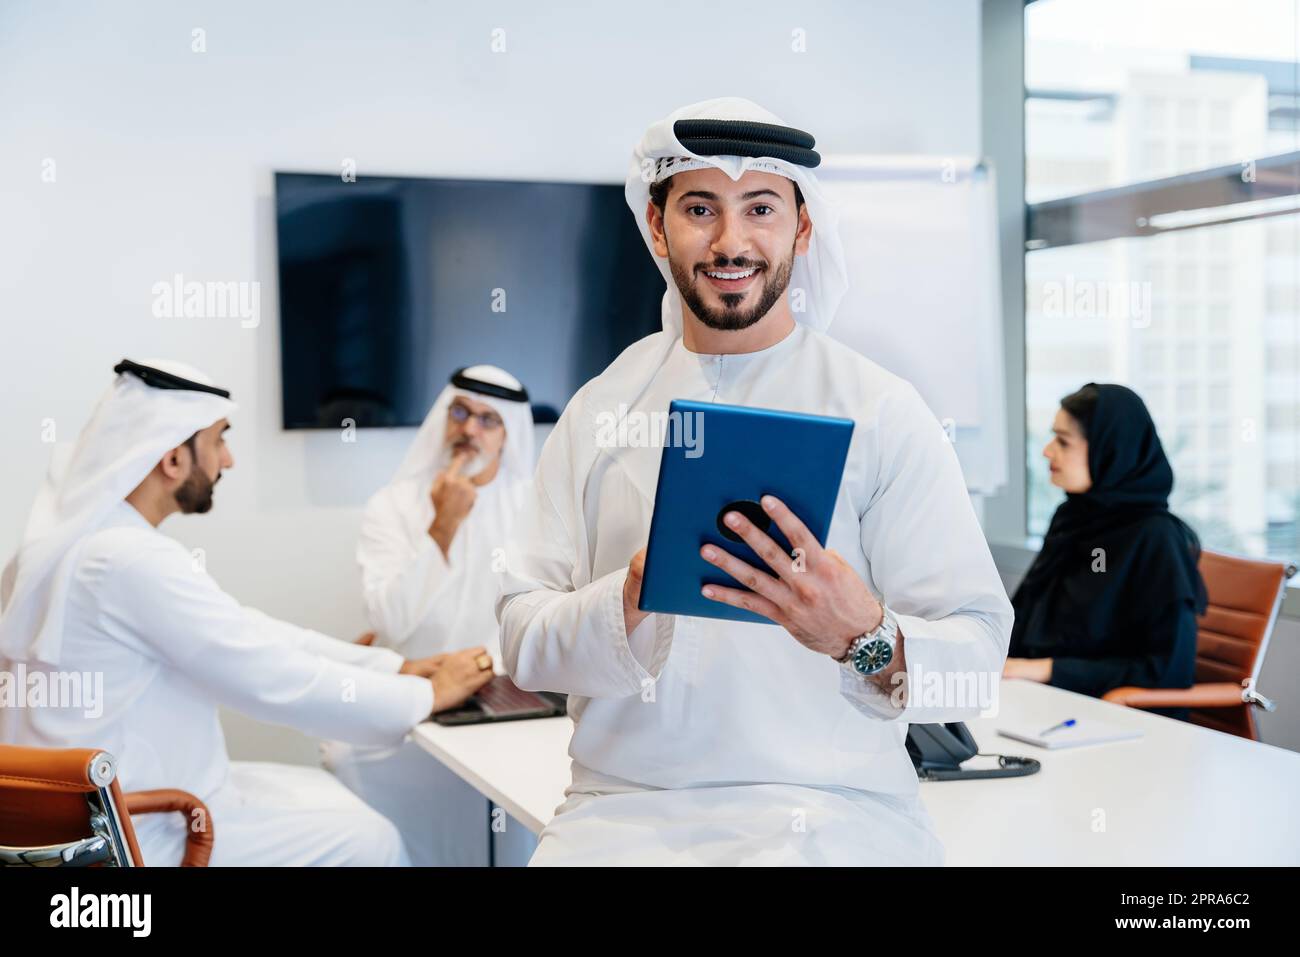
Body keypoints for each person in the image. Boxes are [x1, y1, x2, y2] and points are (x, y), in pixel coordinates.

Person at [496, 97, 1013, 866]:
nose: (730, 241)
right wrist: (628, 597)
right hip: (625, 815)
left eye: (760, 208)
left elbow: (975, 661)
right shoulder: (600, 411)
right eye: (700, 207)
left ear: (802, 229)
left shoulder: (882, 410)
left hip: (843, 813)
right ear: (656, 225)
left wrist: (862, 634)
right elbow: (520, 641)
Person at [0, 359, 493, 866]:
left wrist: (394, 668)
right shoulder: (126, 559)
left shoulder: (78, 544)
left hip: (92, 817)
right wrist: (425, 694)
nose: (228, 460)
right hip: (144, 830)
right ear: (173, 458)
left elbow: (246, 631)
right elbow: (269, 675)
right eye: (220, 440)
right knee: (373, 840)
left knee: (335, 796)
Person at [322, 365, 534, 866]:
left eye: (488, 419)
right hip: (415, 698)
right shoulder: (393, 507)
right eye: (460, 412)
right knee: (345, 759)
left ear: (509, 436)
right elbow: (391, 623)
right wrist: (442, 525)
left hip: (509, 702)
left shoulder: (535, 509)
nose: (469, 429)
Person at [1004, 383, 1207, 719]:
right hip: (1040, 700)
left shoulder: (1156, 538)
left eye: (1063, 442)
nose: (1047, 451)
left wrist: (1044, 669)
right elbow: (1025, 615)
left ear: (1110, 450)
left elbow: (1165, 671)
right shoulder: (1073, 518)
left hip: (1118, 719)